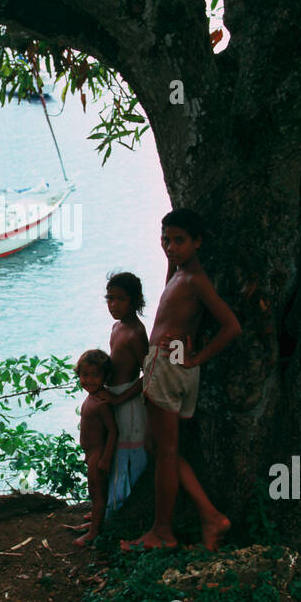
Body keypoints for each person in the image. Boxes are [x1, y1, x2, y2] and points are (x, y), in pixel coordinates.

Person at [124, 208, 240, 552]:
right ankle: (209, 516)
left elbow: (231, 326)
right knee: (162, 448)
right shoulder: (180, 273)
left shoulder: (195, 279)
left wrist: (197, 358)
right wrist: (170, 260)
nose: (170, 246)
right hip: (169, 362)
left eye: (179, 241)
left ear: (198, 242)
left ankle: (163, 532)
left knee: (165, 451)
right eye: (165, 239)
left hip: (169, 366)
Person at [96, 272, 149, 516]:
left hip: (129, 405)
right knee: (113, 454)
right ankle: (108, 509)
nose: (113, 305)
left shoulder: (136, 333)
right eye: (110, 298)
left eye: (121, 299)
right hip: (114, 398)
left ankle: (120, 513)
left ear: (135, 301)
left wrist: (119, 398)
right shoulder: (117, 327)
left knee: (127, 460)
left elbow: (148, 375)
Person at [73, 348, 118, 547]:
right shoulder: (92, 397)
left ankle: (94, 532)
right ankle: (95, 521)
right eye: (84, 375)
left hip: (98, 454)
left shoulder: (102, 401)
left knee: (98, 494)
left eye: (94, 375)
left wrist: (106, 458)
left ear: (105, 376)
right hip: (91, 453)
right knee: (94, 491)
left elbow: (113, 431)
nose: (88, 380)